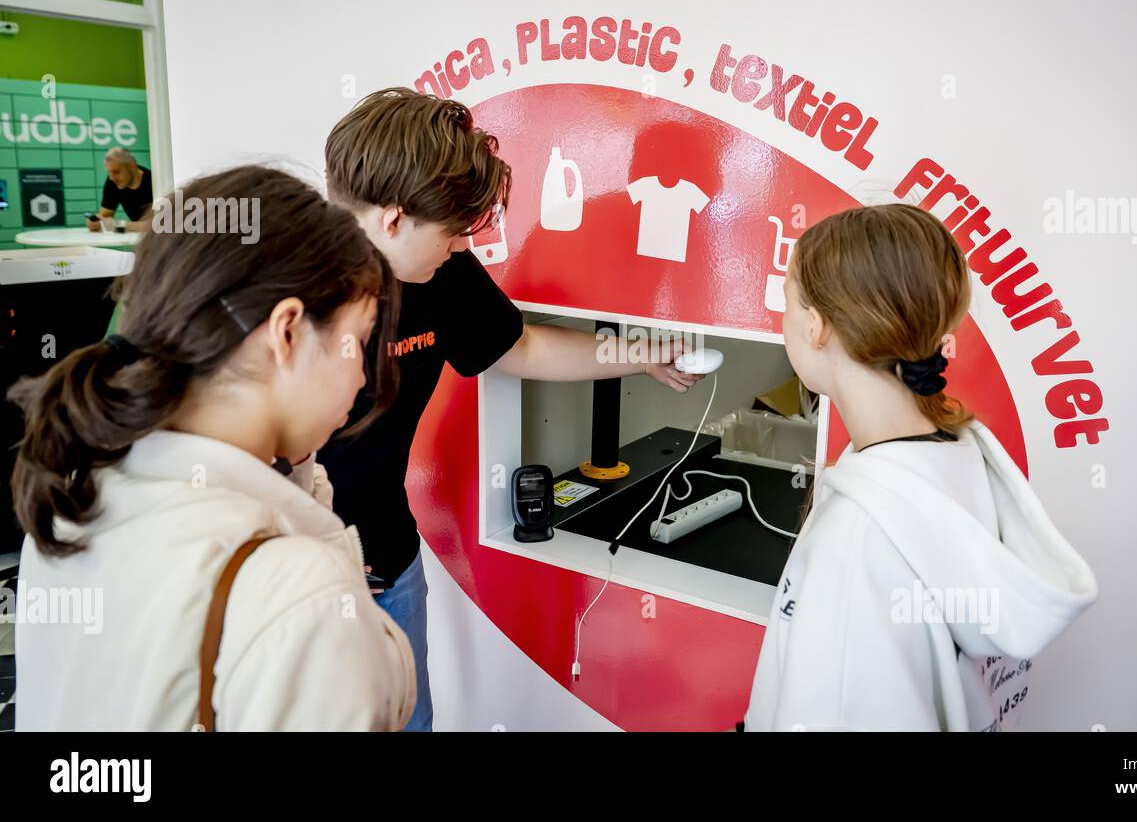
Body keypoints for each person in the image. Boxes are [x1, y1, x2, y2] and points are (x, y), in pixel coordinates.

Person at [317, 88, 704, 731]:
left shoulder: (440, 274)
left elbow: (522, 346)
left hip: (389, 558)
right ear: (391, 221)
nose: (463, 247)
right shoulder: (274, 284)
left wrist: (637, 352)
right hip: (291, 573)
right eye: (451, 233)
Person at [11, 165, 416, 730]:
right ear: (288, 332)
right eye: (361, 339)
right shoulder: (298, 595)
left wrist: (294, 468)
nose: (362, 376)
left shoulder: (73, 496)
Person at [745, 204, 1098, 731]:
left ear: (817, 327)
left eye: (789, 302)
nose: (785, 317)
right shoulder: (956, 458)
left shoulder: (857, 539)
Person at [88, 147, 153, 232]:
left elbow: (160, 224)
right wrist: (95, 222)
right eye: (109, 172)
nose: (112, 178)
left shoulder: (153, 181)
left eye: (116, 172)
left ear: (132, 167)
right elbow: (104, 216)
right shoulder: (112, 183)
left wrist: (118, 224)